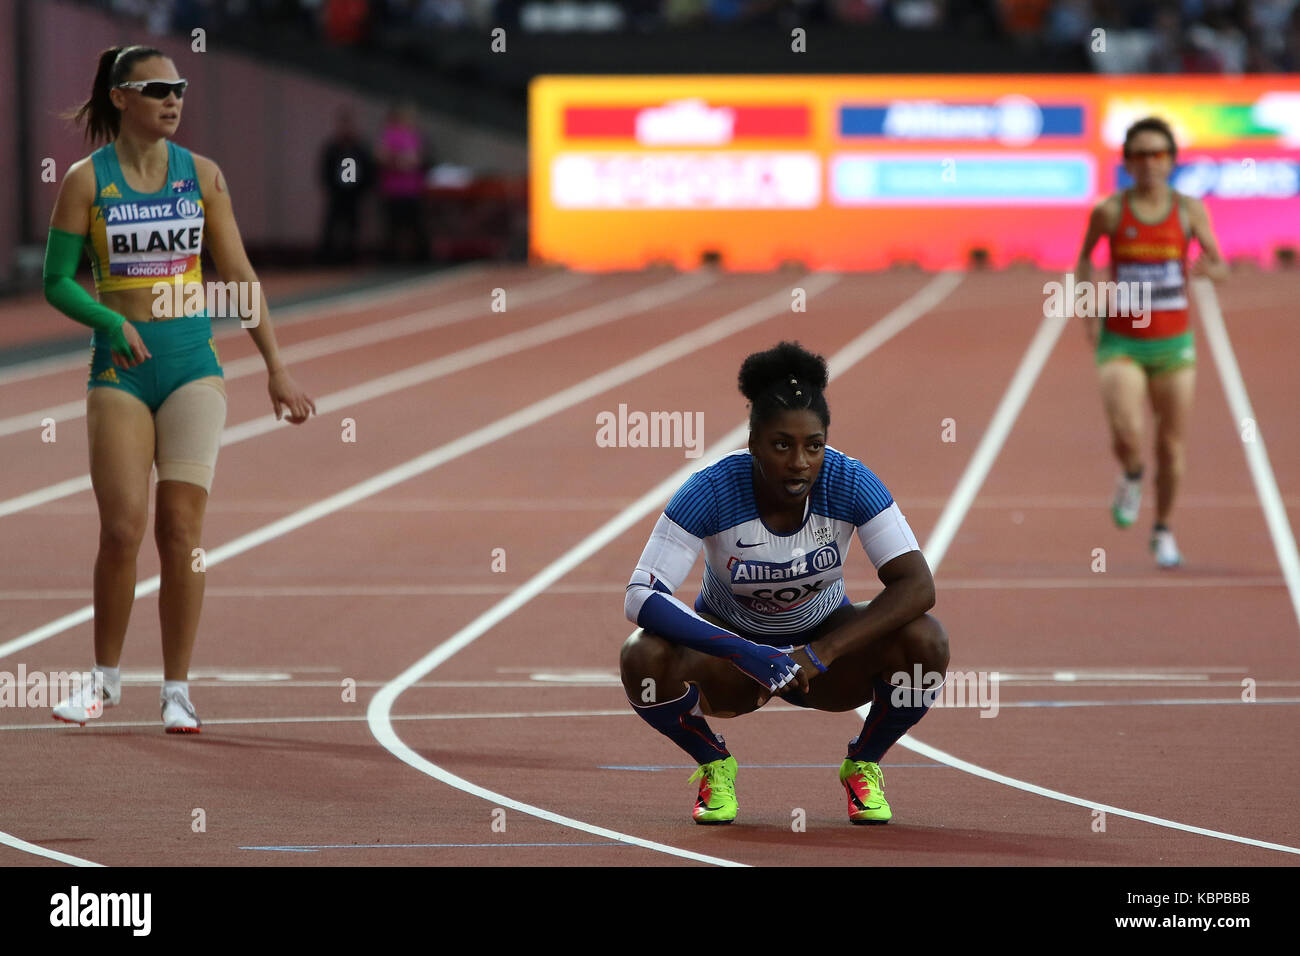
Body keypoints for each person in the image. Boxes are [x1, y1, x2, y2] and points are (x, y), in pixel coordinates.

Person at [43, 45, 316, 732]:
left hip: (194, 368)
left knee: (181, 531)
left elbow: (240, 275)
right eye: (157, 88)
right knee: (120, 529)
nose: (173, 99)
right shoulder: (85, 181)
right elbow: (55, 281)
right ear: (120, 97)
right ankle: (103, 682)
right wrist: (109, 319)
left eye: (180, 88)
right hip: (121, 375)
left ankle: (176, 690)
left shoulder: (202, 176)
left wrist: (276, 368)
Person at [620, 342, 949, 824]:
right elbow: (641, 595)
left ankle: (863, 764)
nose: (800, 462)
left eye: (813, 445)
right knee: (642, 656)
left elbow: (917, 586)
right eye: (782, 445)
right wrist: (745, 652)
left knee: (926, 640)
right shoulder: (710, 489)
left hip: (822, 656)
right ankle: (714, 763)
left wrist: (823, 652)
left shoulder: (850, 481)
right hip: (733, 661)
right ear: (753, 444)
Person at [1074, 116, 1228, 567]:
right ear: (1126, 162)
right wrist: (1087, 310)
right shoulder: (1110, 211)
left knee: (1172, 444)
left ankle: (1162, 530)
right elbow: (1084, 260)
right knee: (1126, 433)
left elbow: (1221, 265)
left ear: (1172, 161)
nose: (1149, 163)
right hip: (1121, 342)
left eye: (1158, 154)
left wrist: (1209, 270)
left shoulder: (1189, 210)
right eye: (1140, 154)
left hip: (1173, 345)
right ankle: (1132, 472)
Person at [318, 106, 373, 264]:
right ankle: (326, 259)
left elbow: (367, 169)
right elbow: (325, 169)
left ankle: (351, 258)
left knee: (353, 227)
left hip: (354, 194)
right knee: (331, 226)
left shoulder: (359, 147)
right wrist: (330, 188)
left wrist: (363, 189)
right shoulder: (333, 147)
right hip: (337, 194)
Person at [375, 102, 429, 263]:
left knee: (414, 225)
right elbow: (381, 157)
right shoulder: (388, 134)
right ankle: (392, 258)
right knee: (393, 227)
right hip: (393, 189)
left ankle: (418, 258)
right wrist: (399, 160)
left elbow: (419, 159)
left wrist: (407, 161)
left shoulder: (414, 136)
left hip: (412, 189)